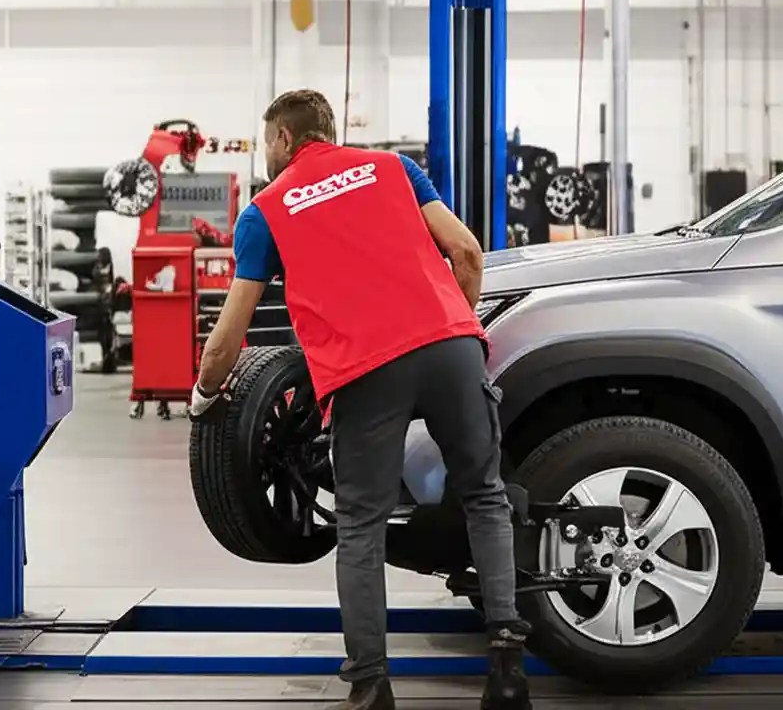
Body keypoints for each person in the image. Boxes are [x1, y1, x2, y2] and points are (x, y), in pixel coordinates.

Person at [190, 89, 532, 710]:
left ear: (285, 140)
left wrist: (205, 393)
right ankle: (507, 669)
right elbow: (467, 253)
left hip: (366, 369)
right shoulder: (393, 169)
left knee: (361, 525)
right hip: (450, 345)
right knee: (485, 496)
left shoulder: (266, 209)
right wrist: (457, 327)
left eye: (266, 141)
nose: (267, 152)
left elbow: (230, 334)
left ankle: (371, 685)